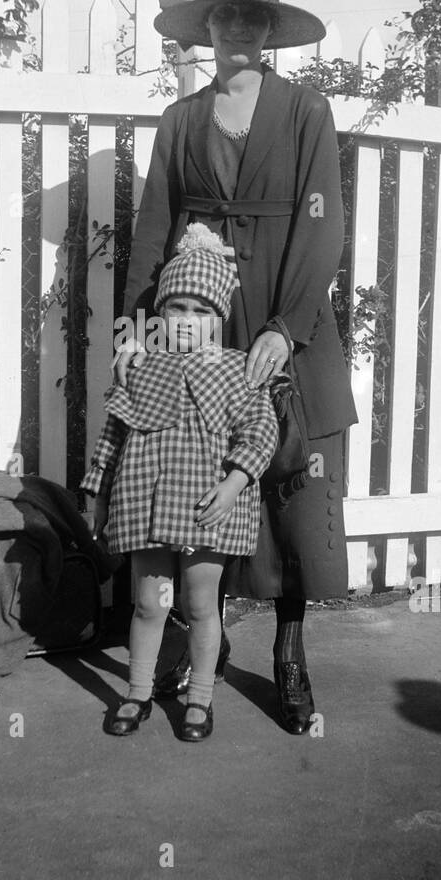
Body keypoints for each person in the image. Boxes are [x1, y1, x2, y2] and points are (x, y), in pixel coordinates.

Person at [112, 0, 358, 734]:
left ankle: (289, 655)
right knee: (191, 483)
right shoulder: (181, 121)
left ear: (271, 32)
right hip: (198, 329)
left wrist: (287, 328)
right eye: (225, 17)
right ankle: (188, 658)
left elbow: (323, 225)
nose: (239, 30)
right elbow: (154, 226)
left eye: (254, 19)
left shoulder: (305, 111)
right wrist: (135, 328)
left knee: (291, 482)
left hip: (286, 322)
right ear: (207, 29)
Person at [80, 225, 279, 742]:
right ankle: (137, 693)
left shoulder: (237, 371)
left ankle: (200, 700)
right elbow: (112, 435)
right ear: (160, 312)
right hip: (146, 506)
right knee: (150, 603)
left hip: (202, 509)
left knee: (198, 604)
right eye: (176, 308)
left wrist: (234, 484)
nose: (187, 320)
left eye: (200, 310)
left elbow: (261, 430)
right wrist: (96, 494)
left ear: (219, 317)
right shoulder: (140, 366)